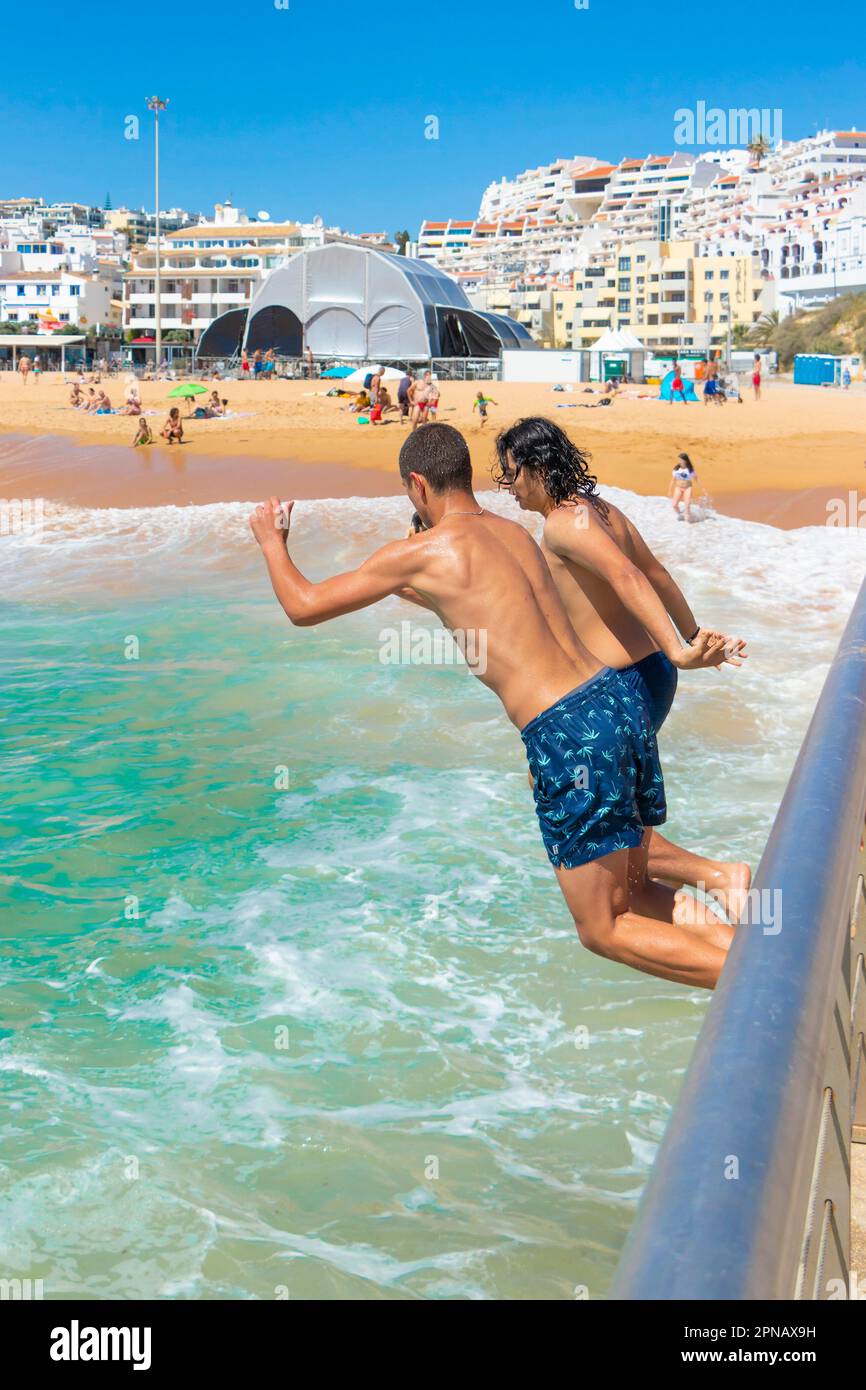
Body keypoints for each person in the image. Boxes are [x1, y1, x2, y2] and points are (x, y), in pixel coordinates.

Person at [249, 423, 733, 990]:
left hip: (567, 730)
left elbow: (303, 606)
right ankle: (751, 950)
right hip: (617, 701)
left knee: (604, 926)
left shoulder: (422, 552)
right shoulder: (518, 533)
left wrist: (272, 543)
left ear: (417, 483)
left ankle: (761, 978)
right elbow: (488, 611)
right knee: (634, 890)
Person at [493, 417, 749, 924]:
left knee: (581, 800)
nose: (510, 490)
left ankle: (717, 877)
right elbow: (655, 572)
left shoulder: (564, 522)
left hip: (622, 686)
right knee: (580, 798)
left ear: (535, 467)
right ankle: (707, 903)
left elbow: (631, 577)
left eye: (511, 475)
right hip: (649, 677)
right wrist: (692, 635)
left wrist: (681, 649)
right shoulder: (602, 510)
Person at [669, 452, 699, 521]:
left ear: (685, 460)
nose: (679, 461)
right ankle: (680, 514)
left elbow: (696, 479)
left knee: (687, 505)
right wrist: (670, 491)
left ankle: (689, 521)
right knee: (674, 505)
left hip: (688, 488)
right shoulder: (676, 469)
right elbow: (673, 480)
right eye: (679, 460)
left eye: (681, 460)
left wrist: (702, 489)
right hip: (678, 488)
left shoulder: (690, 469)